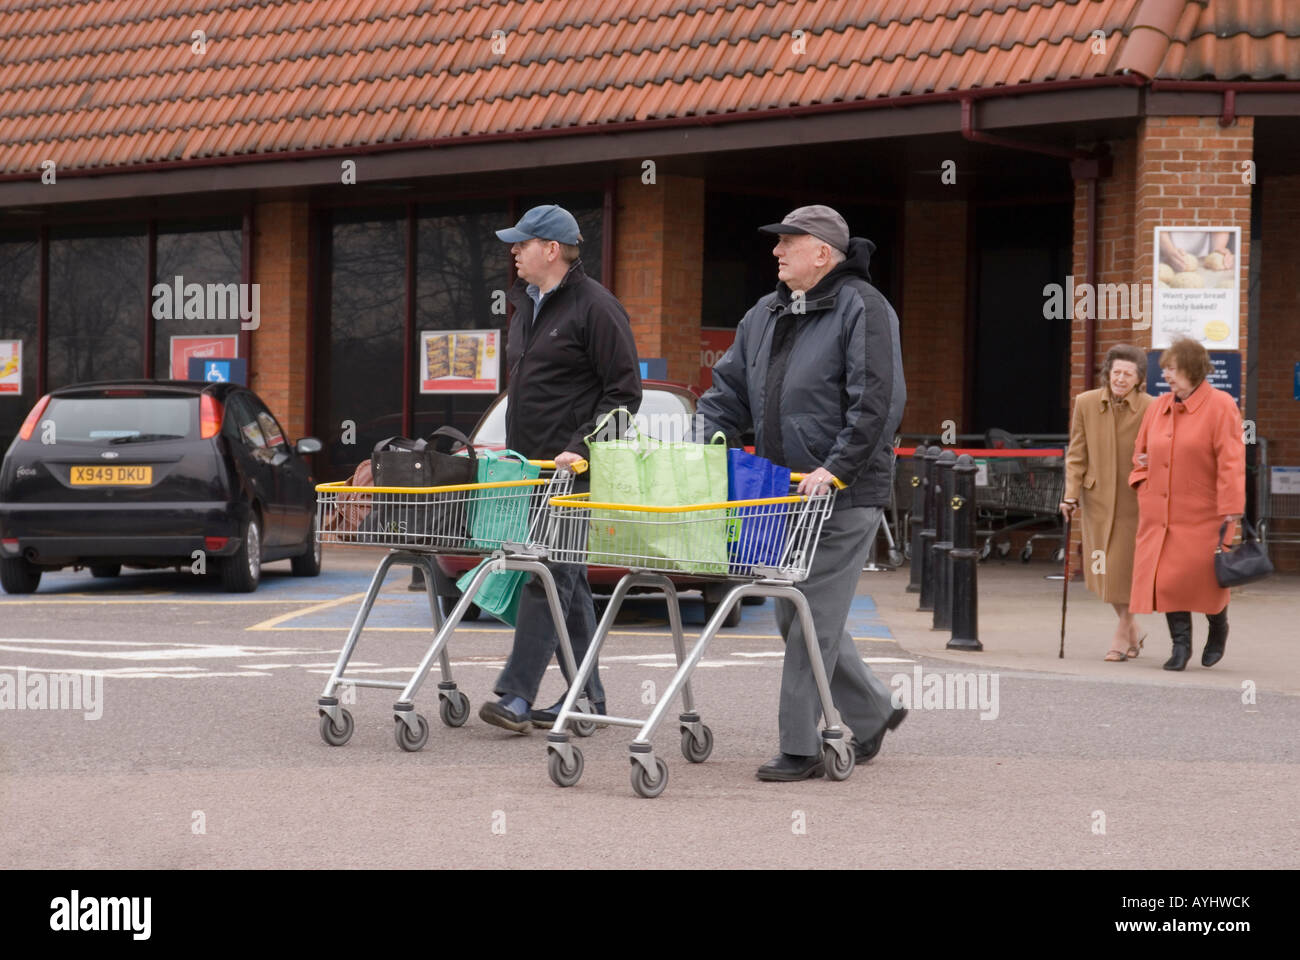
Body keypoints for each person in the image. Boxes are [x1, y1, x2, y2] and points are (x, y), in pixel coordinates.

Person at [695, 204, 907, 781]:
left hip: (844, 493)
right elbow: (727, 396)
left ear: (823, 252)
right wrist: (702, 444)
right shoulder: (764, 313)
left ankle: (800, 746)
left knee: (808, 612)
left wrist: (835, 469)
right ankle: (873, 710)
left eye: (789, 242)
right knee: (796, 618)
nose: (776, 251)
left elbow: (878, 403)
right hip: (779, 493)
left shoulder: (864, 308)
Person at [477, 204, 642, 732]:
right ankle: (589, 701)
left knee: (544, 575)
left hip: (574, 473)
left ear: (551, 249)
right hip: (533, 470)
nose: (514, 252)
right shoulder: (528, 307)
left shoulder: (596, 307)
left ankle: (516, 696)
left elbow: (624, 396)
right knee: (564, 585)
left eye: (522, 244)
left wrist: (583, 449)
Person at [1129, 337, 1244, 671]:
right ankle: (1181, 646)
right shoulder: (1158, 406)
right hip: (1160, 514)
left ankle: (1218, 627)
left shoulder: (1221, 404)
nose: (1166, 375)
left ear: (1193, 370)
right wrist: (1141, 481)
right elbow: (1140, 454)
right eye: (1164, 368)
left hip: (1205, 514)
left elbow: (1231, 463)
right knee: (1167, 581)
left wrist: (1232, 510)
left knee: (1206, 581)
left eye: (1173, 368)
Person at [1060, 344, 1153, 661]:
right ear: (1108, 373)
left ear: (1139, 379)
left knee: (1124, 570)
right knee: (1101, 570)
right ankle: (1134, 631)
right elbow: (1076, 455)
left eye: (1128, 374)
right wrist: (1070, 494)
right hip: (1096, 501)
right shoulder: (1085, 403)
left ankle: (1121, 635)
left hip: (1133, 502)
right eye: (1117, 372)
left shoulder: (1151, 408)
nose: (1121, 378)